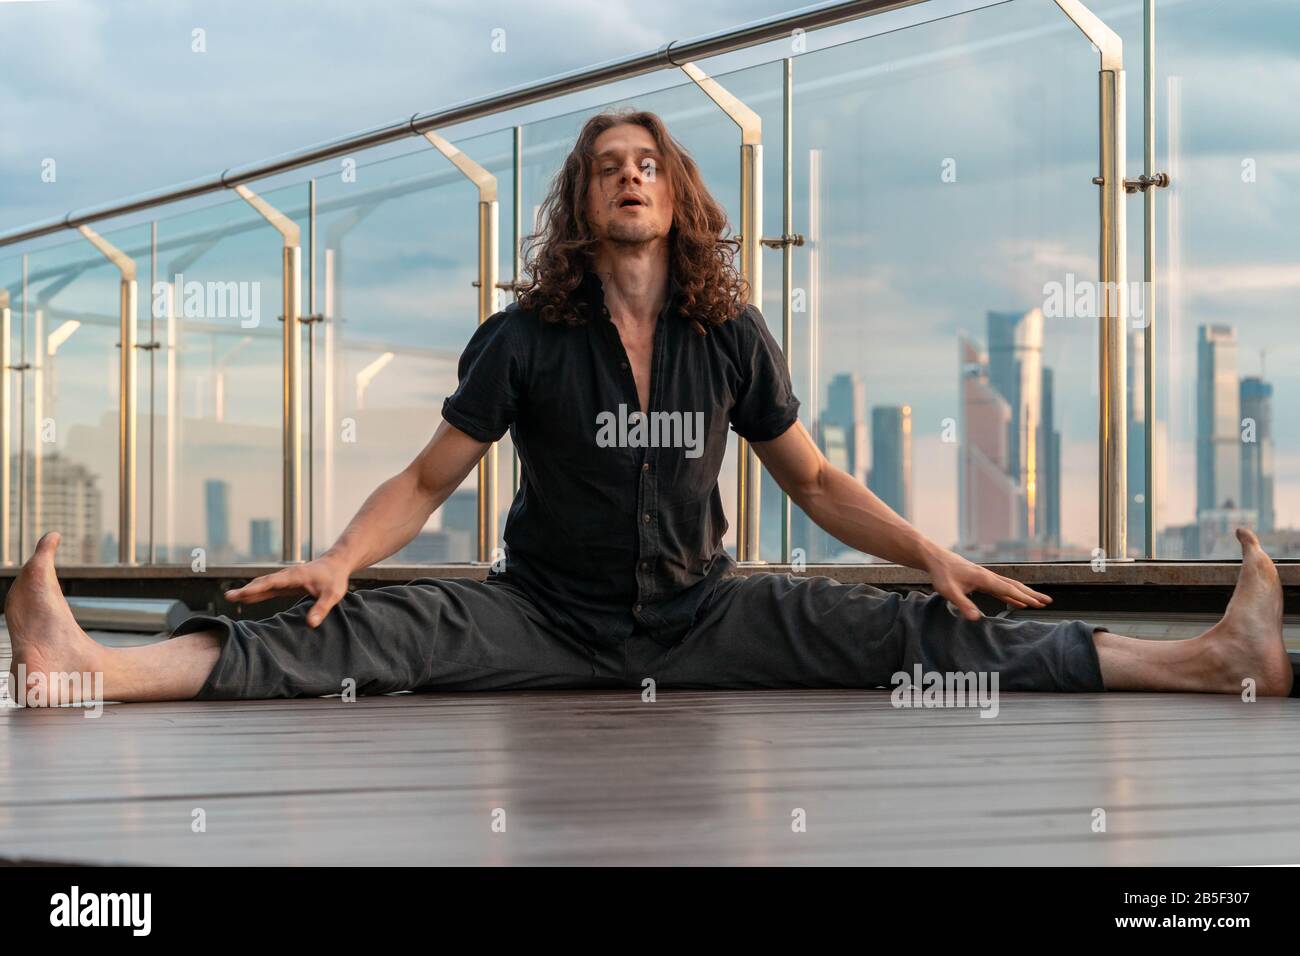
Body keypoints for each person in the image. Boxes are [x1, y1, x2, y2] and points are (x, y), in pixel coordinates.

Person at [4, 110, 1292, 706]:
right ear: (583, 206)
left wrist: (938, 554)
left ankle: (1207, 660)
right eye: (605, 168)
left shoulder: (726, 334)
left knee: (915, 640)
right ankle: (95, 671)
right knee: (363, 639)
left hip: (704, 614)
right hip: (538, 615)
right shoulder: (521, 340)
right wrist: (344, 557)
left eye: (646, 164)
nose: (627, 178)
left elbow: (819, 485)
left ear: (675, 196)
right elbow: (427, 482)